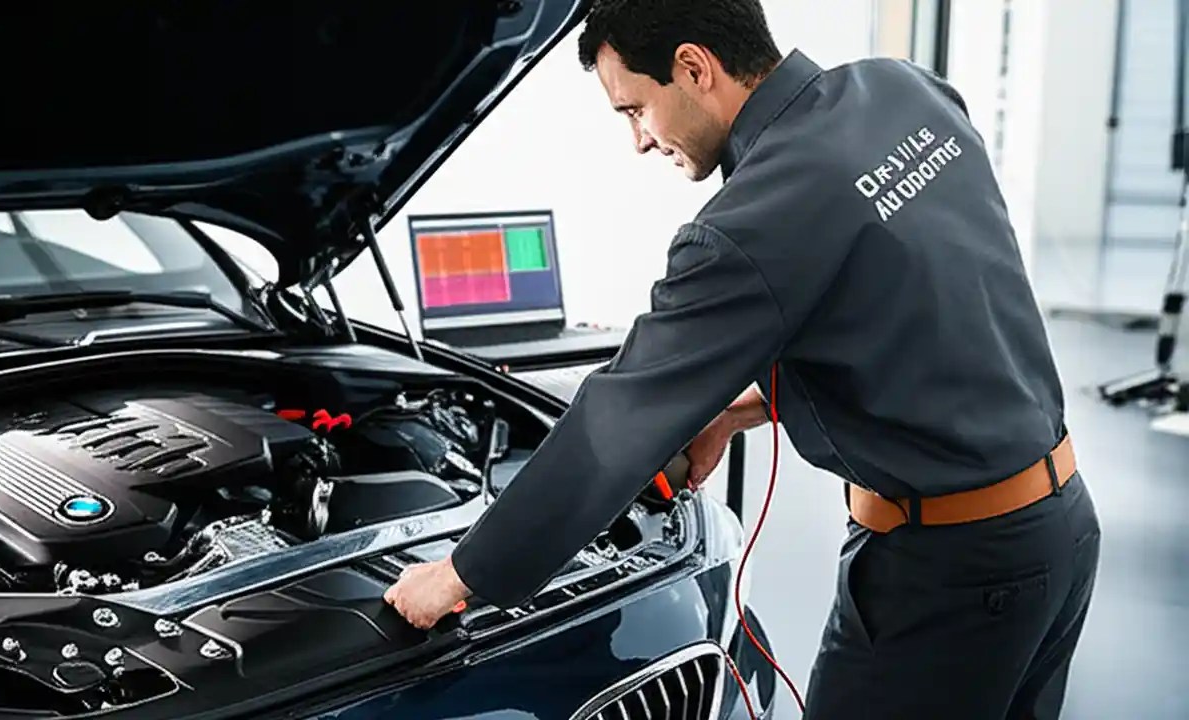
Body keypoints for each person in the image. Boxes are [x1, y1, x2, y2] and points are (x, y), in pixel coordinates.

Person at [383, 1, 1102, 717]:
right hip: (1058, 529)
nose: (638, 141)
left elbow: (617, 422)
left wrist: (461, 574)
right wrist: (754, 406)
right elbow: (931, 304)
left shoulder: (747, 226)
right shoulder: (905, 89)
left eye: (634, 109)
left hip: (950, 575)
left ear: (694, 68)